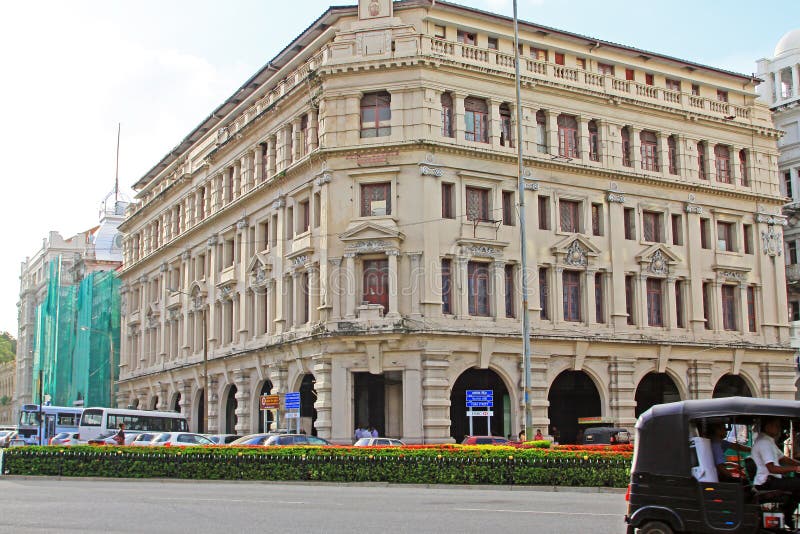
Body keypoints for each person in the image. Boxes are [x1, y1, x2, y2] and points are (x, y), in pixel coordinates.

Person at [752, 417, 800, 530]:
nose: (779, 429)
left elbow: (783, 459)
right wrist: (796, 468)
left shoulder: (768, 441)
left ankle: (787, 513)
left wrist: (798, 464)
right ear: (768, 426)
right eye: (777, 426)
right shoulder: (764, 443)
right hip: (767, 482)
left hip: (772, 480)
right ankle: (787, 514)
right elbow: (772, 468)